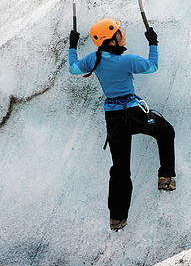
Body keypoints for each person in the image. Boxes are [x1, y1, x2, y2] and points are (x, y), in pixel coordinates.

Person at [68, 18, 175, 232]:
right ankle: (165, 177)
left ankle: (117, 218)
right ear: (113, 40)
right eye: (119, 32)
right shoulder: (127, 61)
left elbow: (73, 69)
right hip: (134, 114)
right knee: (165, 131)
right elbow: (152, 66)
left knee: (120, 170)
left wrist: (72, 46)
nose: (123, 34)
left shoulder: (93, 60)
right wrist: (153, 43)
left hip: (114, 119)